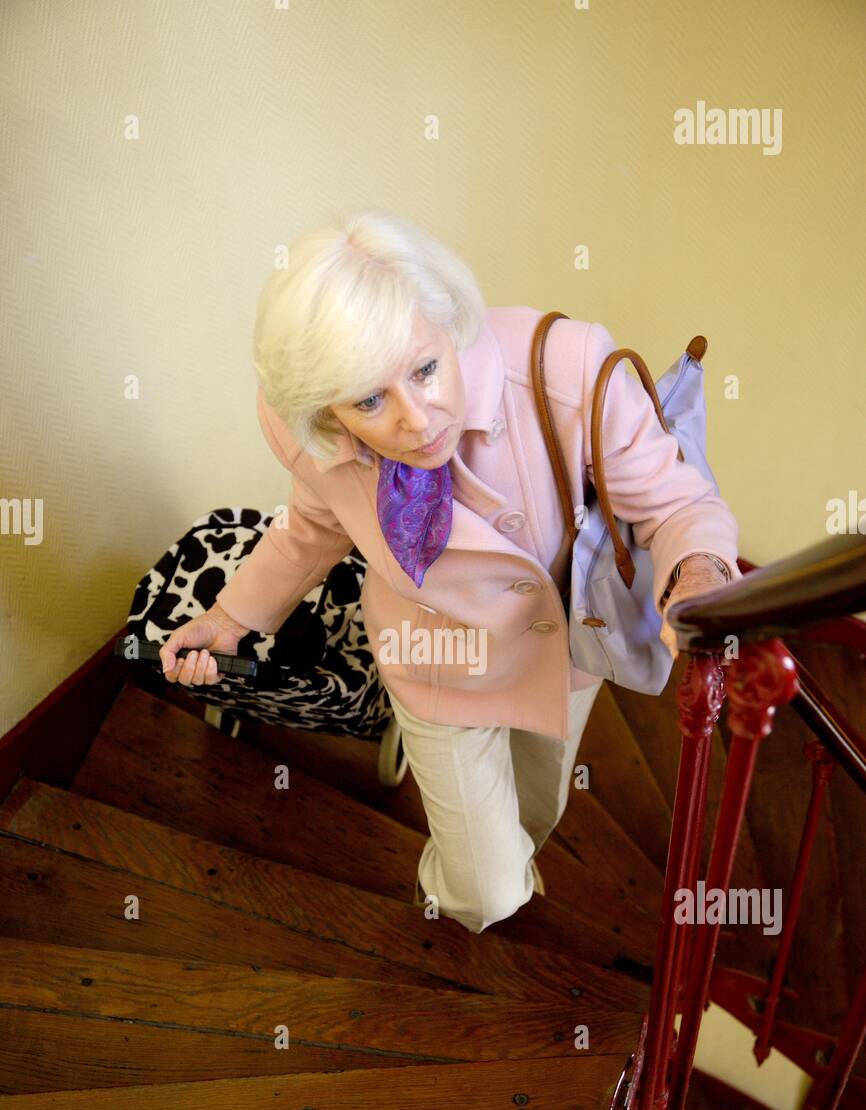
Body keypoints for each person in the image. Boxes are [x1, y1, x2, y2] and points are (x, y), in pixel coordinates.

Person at [160, 207, 740, 933]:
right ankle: (440, 916)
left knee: (534, 818)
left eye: (426, 370)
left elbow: (676, 502)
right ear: (329, 410)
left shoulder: (566, 370)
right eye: (370, 399)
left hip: (555, 650)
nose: (417, 417)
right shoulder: (301, 424)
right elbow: (312, 528)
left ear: (446, 324)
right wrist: (230, 619)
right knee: (488, 892)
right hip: (429, 659)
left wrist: (700, 572)